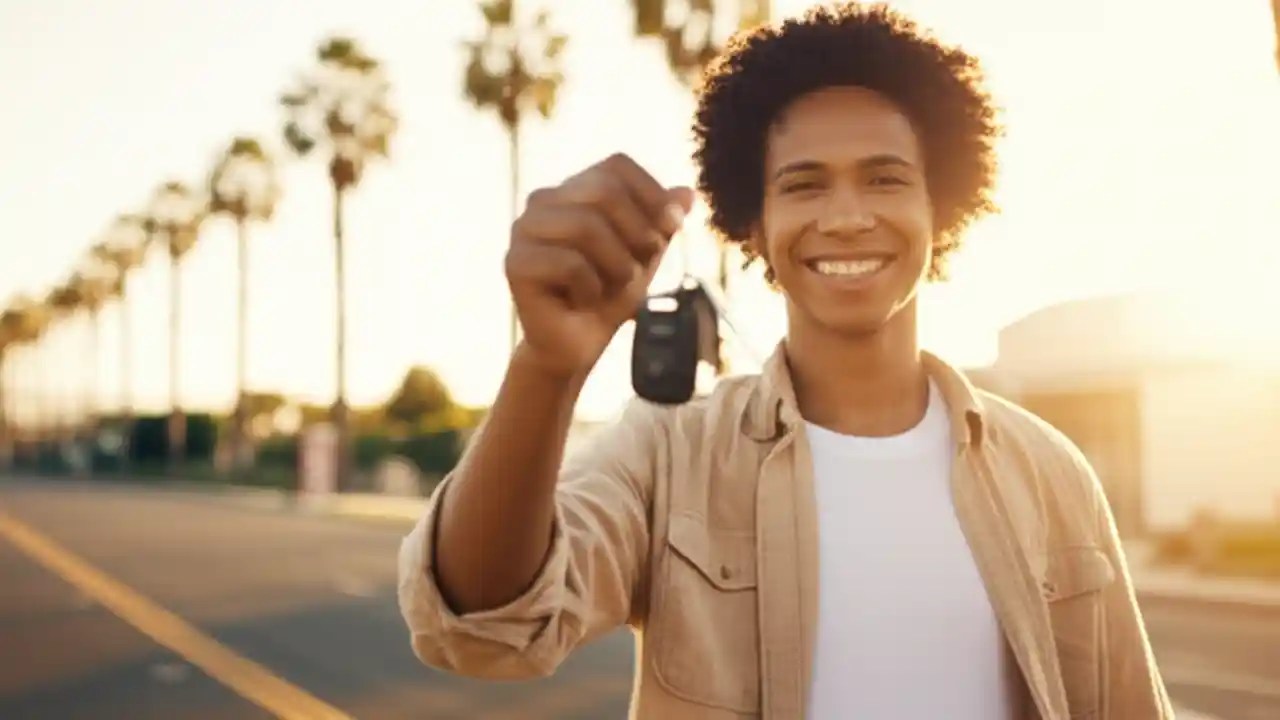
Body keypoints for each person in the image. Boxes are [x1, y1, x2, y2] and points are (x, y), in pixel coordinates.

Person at [397, 4, 1174, 718]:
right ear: (755, 226)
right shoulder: (669, 451)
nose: (845, 217)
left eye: (885, 178)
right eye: (804, 186)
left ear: (941, 208)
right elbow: (487, 628)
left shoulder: (1050, 471)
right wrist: (547, 367)